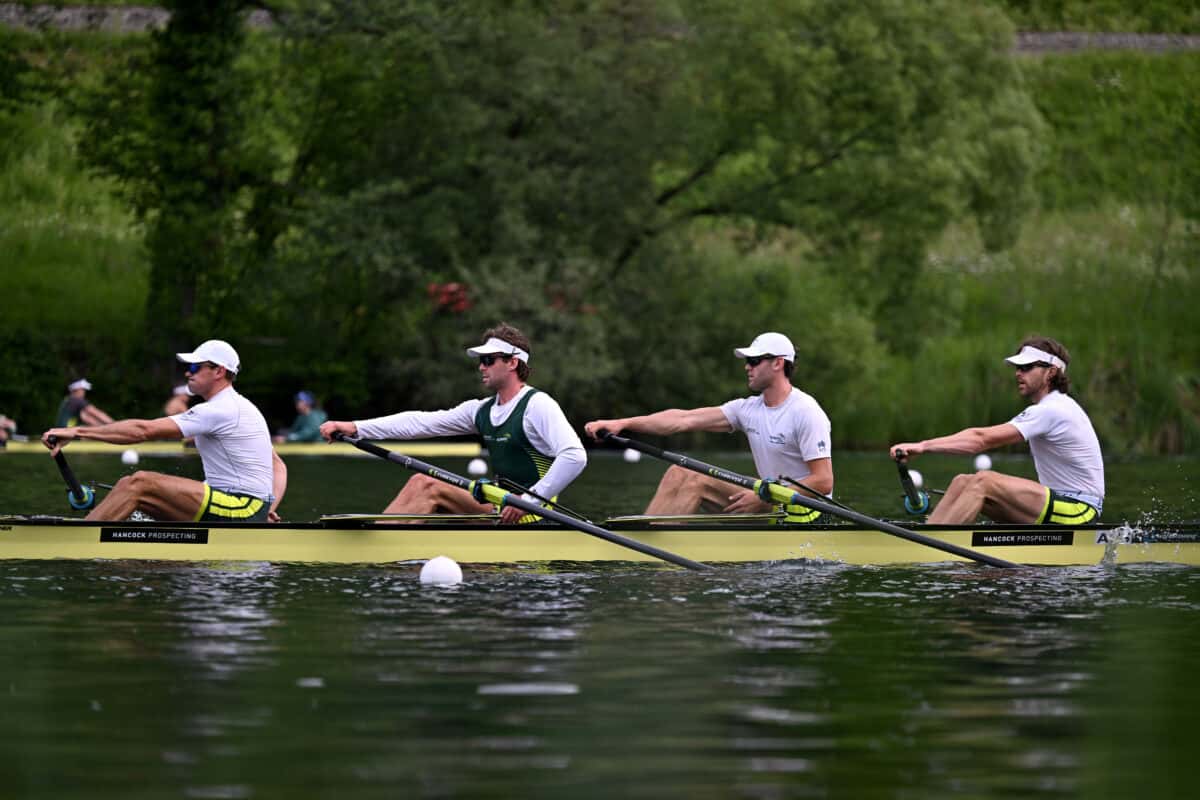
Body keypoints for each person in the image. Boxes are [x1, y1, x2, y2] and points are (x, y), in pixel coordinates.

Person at [319, 322, 587, 524]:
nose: (481, 367)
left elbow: (575, 456)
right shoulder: (480, 411)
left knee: (427, 485)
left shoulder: (537, 405)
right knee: (421, 485)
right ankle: (394, 546)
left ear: (512, 363)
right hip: (499, 508)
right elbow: (420, 423)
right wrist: (356, 427)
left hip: (534, 516)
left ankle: (376, 550)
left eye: (488, 360)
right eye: (480, 361)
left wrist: (528, 501)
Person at [584, 332, 834, 522]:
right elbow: (682, 419)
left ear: (778, 363)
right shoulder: (747, 409)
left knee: (696, 481)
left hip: (807, 513)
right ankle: (643, 538)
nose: (747, 367)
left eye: (754, 360)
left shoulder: (805, 411)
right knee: (678, 472)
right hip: (771, 499)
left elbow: (823, 481)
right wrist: (623, 423)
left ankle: (643, 549)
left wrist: (765, 497)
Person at [42, 339, 288, 523]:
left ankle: (79, 540)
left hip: (241, 507)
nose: (187, 372)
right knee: (128, 485)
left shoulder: (221, 409)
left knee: (139, 483)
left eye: (195, 367)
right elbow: (278, 465)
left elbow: (143, 430)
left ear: (219, 371)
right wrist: (266, 511)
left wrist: (77, 432)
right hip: (244, 508)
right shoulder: (242, 407)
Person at [888, 336, 1104, 525]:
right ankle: (930, 535)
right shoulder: (1049, 408)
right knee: (962, 481)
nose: (1018, 373)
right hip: (1058, 505)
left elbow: (980, 440)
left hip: (1080, 510)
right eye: (1017, 368)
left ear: (1051, 372)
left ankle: (933, 545)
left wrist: (923, 446)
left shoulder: (1053, 409)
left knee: (984, 481)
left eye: (1027, 367)